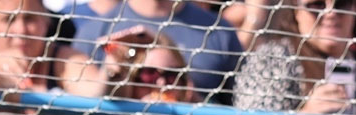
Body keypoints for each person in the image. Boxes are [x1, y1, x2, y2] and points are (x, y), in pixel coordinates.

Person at [232, 0, 356, 115]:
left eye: (341, 5)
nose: (330, 13)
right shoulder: (274, 59)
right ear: (296, 11)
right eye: (317, 5)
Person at [63, 0, 242, 95]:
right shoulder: (93, 33)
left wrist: (190, 99)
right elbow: (85, 114)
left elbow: (238, 112)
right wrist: (111, 72)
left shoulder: (219, 32)